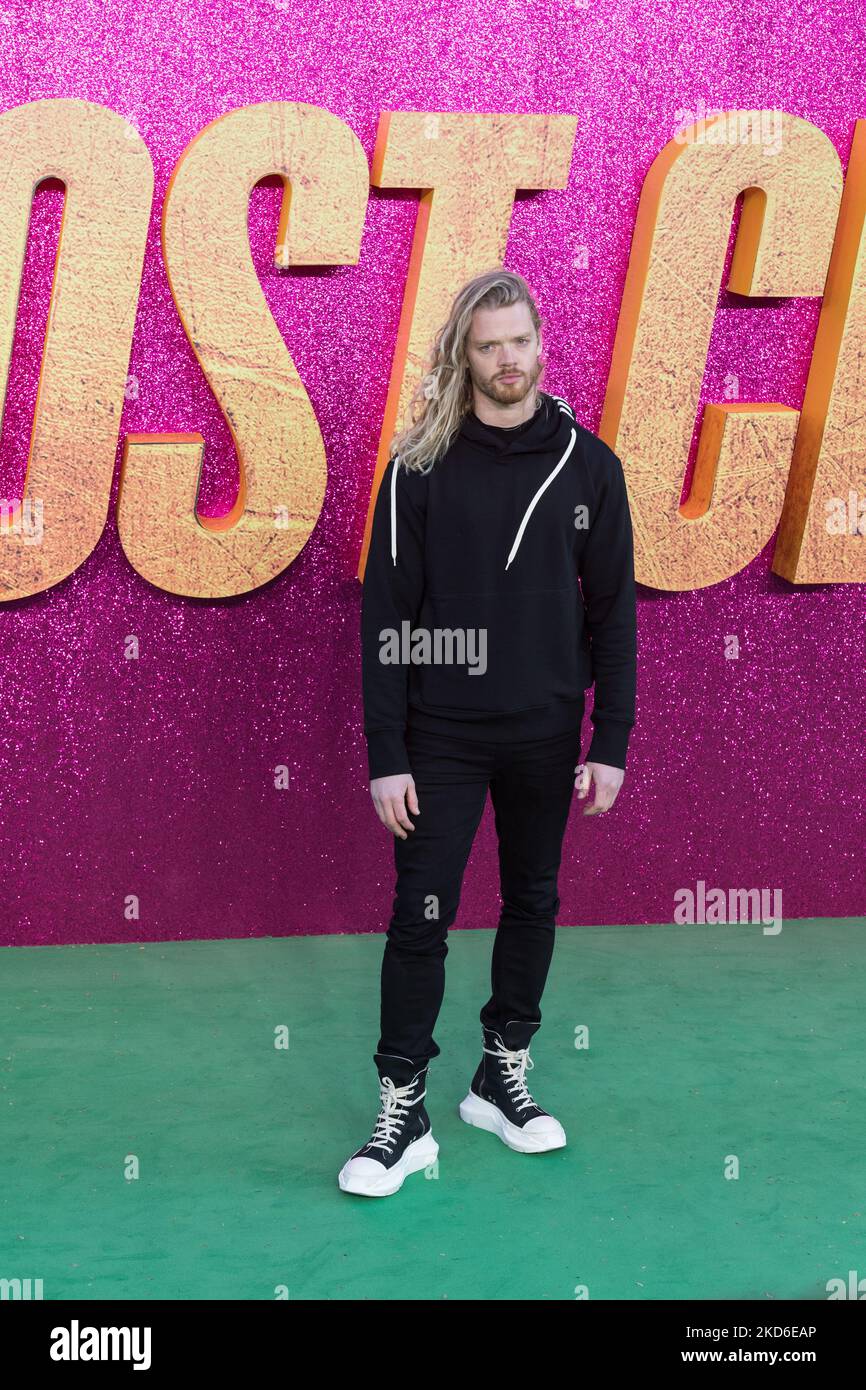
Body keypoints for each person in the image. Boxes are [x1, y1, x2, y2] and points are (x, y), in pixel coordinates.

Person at [338, 269, 637, 1197]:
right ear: (461, 357)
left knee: (533, 900)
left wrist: (611, 739)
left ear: (540, 343)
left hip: (549, 733)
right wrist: (387, 755)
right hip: (443, 736)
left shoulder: (591, 466)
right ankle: (403, 1112)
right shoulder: (416, 469)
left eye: (519, 341)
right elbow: (387, 620)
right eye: (487, 345)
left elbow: (615, 616)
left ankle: (499, 1074)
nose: (507, 360)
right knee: (419, 916)